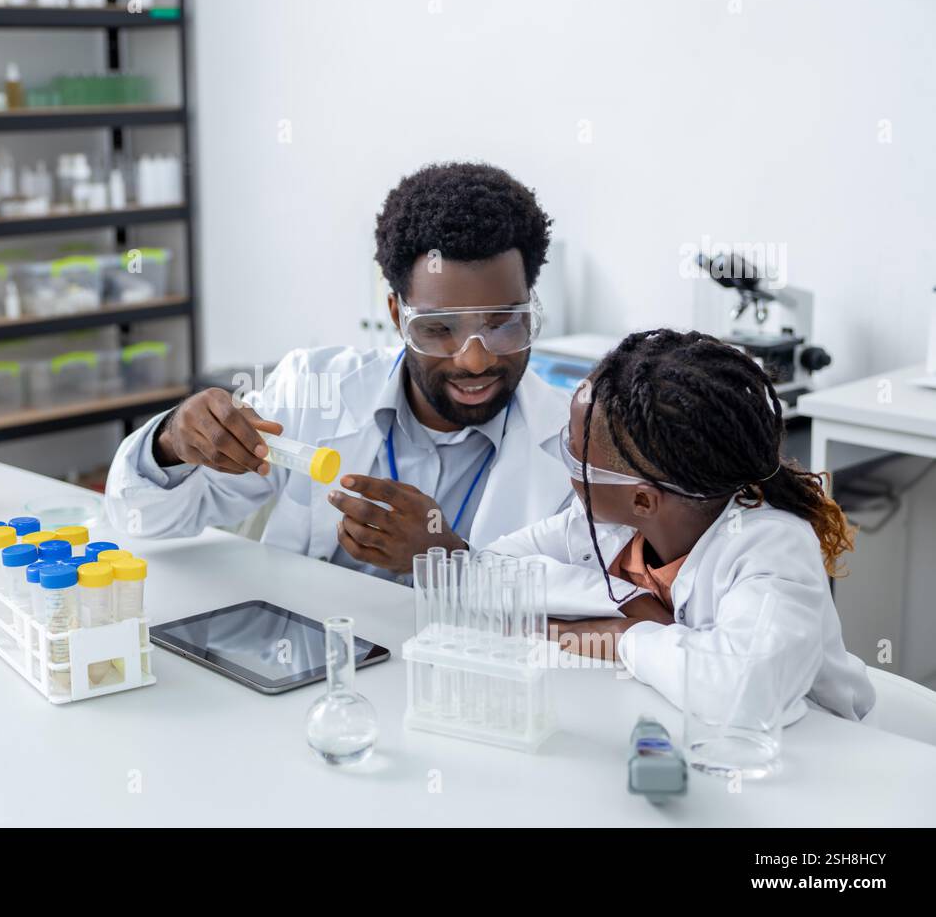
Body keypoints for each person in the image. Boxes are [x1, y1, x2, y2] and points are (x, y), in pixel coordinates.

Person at [104, 162, 574, 578]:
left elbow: (588, 609)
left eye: (504, 323)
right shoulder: (313, 389)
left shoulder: (572, 452)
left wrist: (451, 561)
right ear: (396, 315)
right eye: (439, 328)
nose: (475, 360)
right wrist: (170, 443)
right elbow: (145, 522)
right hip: (308, 667)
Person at [482, 329, 875, 720]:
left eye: (576, 456)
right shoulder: (605, 528)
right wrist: (632, 603)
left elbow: (743, 690)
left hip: (814, 749)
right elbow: (486, 570)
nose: (567, 462)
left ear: (642, 499)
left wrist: (618, 636)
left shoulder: (772, 545)